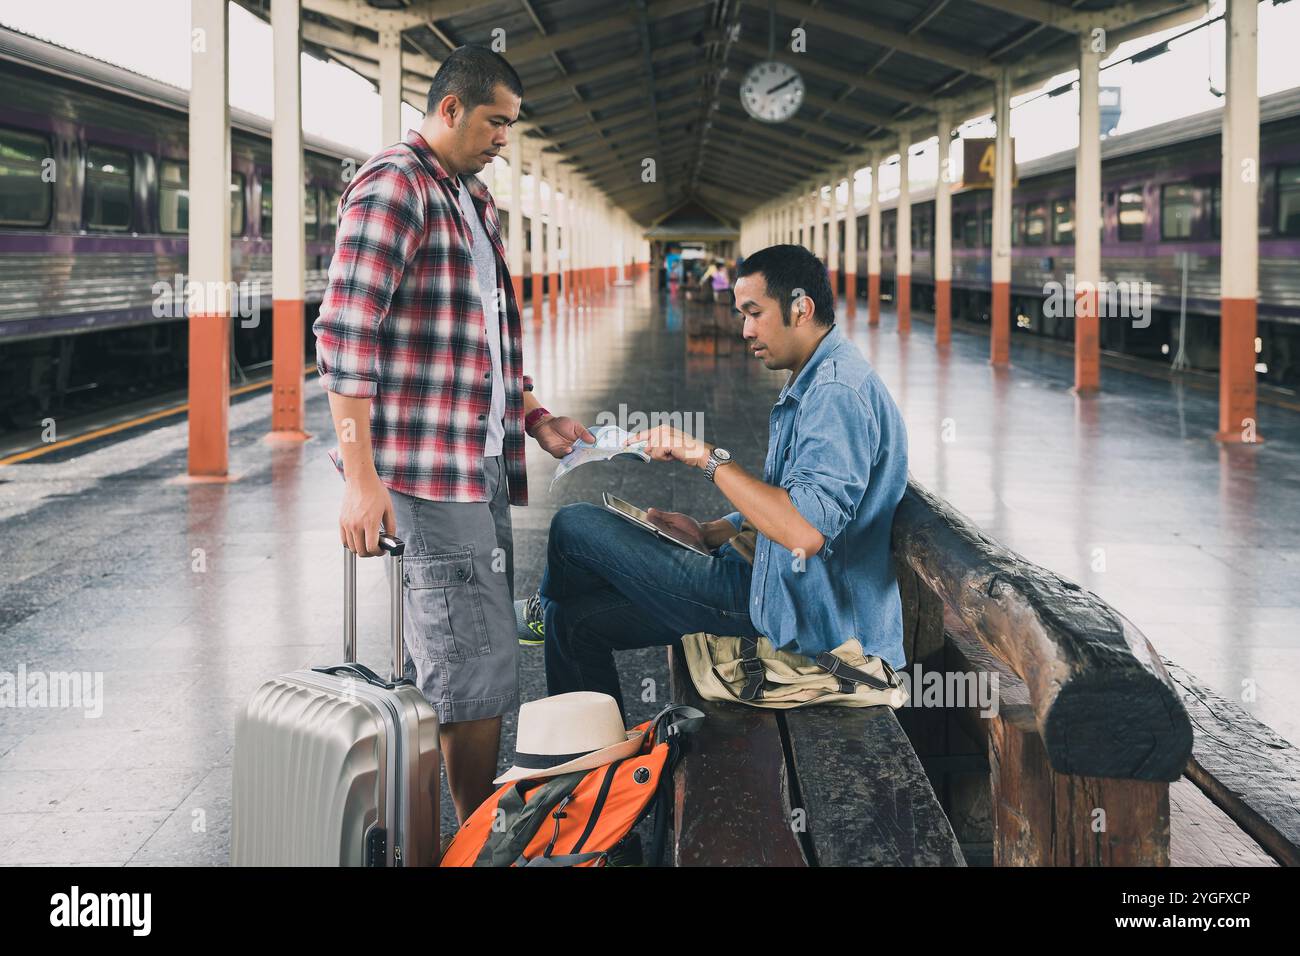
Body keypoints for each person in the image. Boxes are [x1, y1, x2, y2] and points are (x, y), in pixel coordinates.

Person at [314, 45, 593, 824]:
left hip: (478, 467)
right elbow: (344, 335)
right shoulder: (394, 185)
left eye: (511, 124)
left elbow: (489, 340)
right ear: (449, 110)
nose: (505, 138)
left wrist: (535, 417)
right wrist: (362, 479)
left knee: (451, 661)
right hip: (427, 474)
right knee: (474, 667)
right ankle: (475, 835)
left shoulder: (475, 203)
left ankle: (441, 836)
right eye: (495, 122)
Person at [515, 244, 910, 718]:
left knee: (574, 527)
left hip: (800, 614)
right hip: (777, 585)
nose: (745, 330)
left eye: (754, 313)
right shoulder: (818, 377)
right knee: (572, 621)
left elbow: (805, 530)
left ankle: (544, 599)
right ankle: (589, 772)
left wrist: (705, 456)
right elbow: (795, 499)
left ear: (801, 307)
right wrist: (710, 532)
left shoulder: (834, 393)